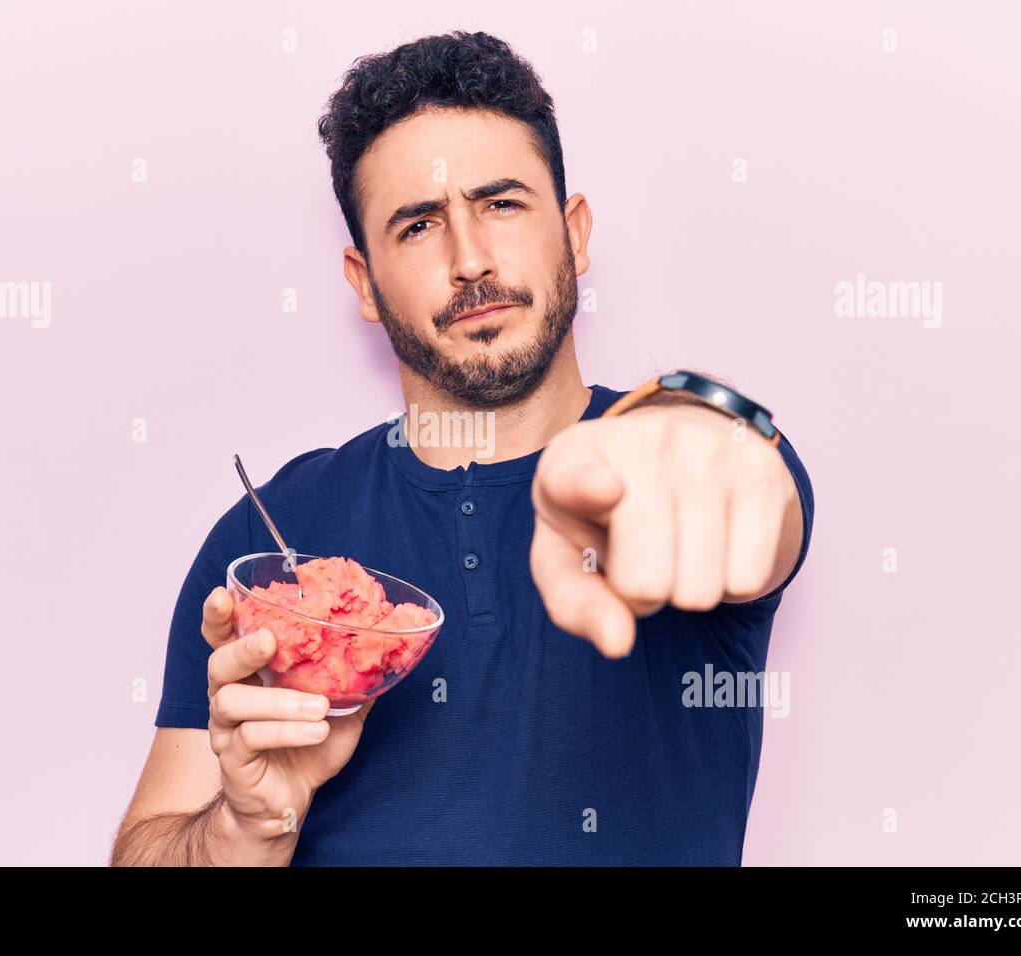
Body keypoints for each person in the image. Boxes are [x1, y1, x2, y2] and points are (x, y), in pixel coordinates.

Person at [111, 30, 814, 866]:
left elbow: (745, 494)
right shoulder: (266, 545)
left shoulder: (667, 463)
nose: (469, 259)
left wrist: (705, 446)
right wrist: (245, 827)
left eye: (502, 203)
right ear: (364, 282)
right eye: (417, 226)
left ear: (575, 232)